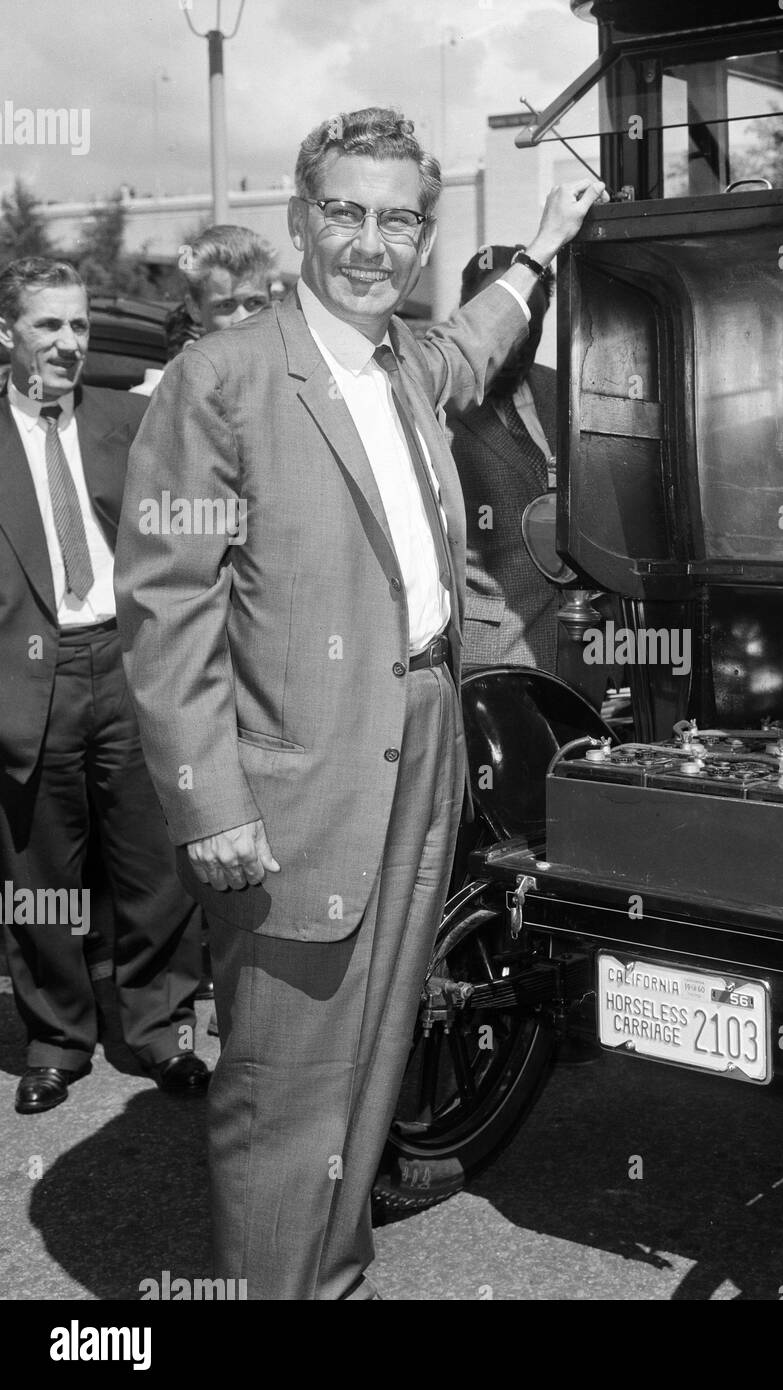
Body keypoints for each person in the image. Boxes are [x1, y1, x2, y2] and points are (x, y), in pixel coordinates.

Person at [114, 106, 605, 1299]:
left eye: (397, 219)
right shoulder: (223, 378)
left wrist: (540, 244)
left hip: (421, 740)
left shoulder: (400, 362)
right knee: (287, 1087)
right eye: (345, 211)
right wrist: (210, 799)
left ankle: (324, 1275)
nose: (370, 242)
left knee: (377, 1053)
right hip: (296, 778)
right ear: (300, 219)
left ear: (425, 235)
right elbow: (164, 605)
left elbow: (476, 343)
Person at [0, 257, 208, 1114]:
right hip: (27, 682)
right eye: (49, 325)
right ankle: (57, 1037)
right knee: (41, 871)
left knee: (153, 863)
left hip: (124, 667)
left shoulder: (130, 420)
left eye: (79, 325)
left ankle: (163, 1030)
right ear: (6, 332)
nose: (69, 343)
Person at [450, 244, 561, 670]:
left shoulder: (569, 391)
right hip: (485, 660)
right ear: (468, 312)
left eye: (530, 320)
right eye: (504, 319)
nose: (515, 340)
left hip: (579, 658)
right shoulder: (434, 405)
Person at [131, 225, 277, 397]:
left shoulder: (301, 382)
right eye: (226, 305)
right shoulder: (170, 400)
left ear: (271, 302)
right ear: (194, 308)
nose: (242, 319)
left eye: (255, 302)